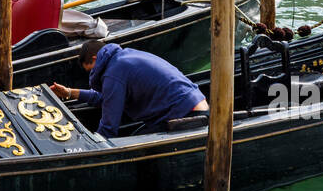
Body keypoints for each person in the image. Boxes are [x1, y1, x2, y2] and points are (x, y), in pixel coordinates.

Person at [50, 40, 207, 138]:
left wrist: (94, 146)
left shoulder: (113, 72)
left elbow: (109, 126)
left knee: (137, 143)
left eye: (90, 70)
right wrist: (70, 93)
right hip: (196, 105)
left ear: (94, 59)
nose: (92, 76)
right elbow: (107, 98)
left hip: (187, 115)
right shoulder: (125, 56)